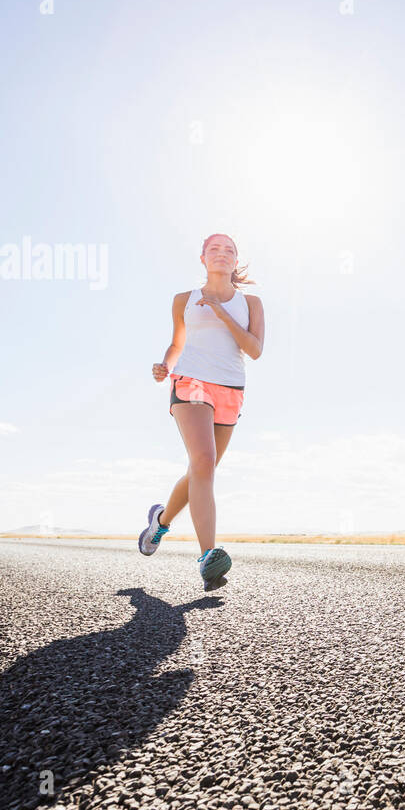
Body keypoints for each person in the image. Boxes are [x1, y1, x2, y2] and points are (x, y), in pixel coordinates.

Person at [139, 233, 265, 590]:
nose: (221, 254)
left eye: (229, 250)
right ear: (203, 258)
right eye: (214, 249)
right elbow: (178, 343)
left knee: (202, 468)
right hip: (190, 381)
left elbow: (254, 349)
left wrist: (220, 311)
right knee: (204, 460)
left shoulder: (250, 302)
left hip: (230, 387)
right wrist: (165, 365)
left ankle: (160, 521)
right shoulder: (183, 299)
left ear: (235, 260)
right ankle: (208, 556)